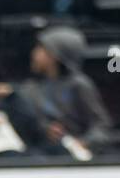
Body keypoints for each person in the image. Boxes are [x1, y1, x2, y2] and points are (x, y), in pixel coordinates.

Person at [12, 25, 114, 158]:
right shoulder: (29, 88)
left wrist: (83, 143)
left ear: (54, 55)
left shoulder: (79, 85)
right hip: (38, 155)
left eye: (40, 49)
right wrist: (43, 130)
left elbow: (101, 126)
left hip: (75, 157)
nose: (34, 53)